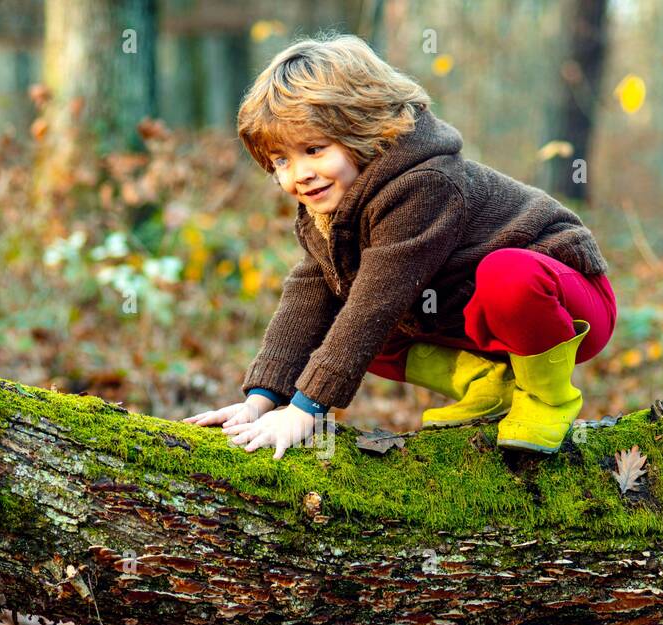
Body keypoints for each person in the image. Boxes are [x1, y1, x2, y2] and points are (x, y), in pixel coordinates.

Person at [181, 33, 616, 458]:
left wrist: (307, 408)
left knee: (493, 278)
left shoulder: (425, 184)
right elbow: (310, 292)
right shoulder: (328, 208)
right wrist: (260, 401)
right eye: (281, 160)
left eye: (314, 149)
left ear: (361, 128)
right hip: (477, 325)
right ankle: (485, 382)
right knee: (347, 309)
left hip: (567, 306)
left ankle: (547, 398)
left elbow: (376, 301)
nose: (299, 174)